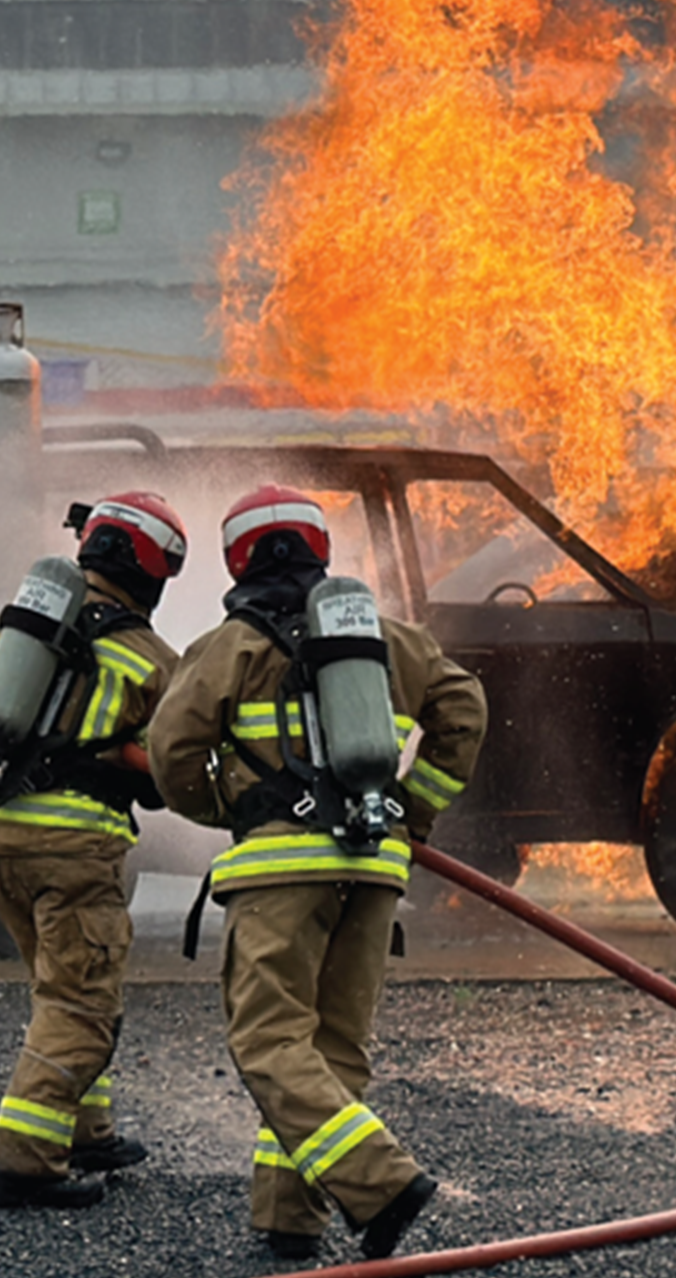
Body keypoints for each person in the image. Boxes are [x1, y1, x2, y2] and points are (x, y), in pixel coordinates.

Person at [148, 484, 486, 1261]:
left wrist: (232, 809)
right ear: (321, 549)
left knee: (268, 1039)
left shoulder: (227, 648)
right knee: (332, 1046)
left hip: (277, 870)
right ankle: (289, 1217)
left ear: (237, 556)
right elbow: (465, 709)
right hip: (372, 869)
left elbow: (171, 751)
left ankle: (382, 1182)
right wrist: (412, 811)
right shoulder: (392, 641)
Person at [0, 490, 188, 1210]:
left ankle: (87, 1129)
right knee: (81, 1001)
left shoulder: (21, 629)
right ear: (149, 572)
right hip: (74, 847)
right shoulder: (152, 661)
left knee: (62, 986)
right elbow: (164, 769)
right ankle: (26, 1159)